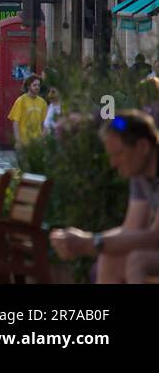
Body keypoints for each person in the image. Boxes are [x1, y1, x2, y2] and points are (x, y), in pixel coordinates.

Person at [51, 111, 159, 283]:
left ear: (143, 147)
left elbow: (154, 239)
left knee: (138, 260)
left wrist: (91, 243)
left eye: (119, 153)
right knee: (110, 258)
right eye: (111, 155)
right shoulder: (141, 173)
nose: (113, 163)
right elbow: (131, 229)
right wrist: (90, 241)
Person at [7, 74, 48, 148]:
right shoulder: (21, 100)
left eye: (38, 85)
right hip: (24, 142)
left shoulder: (43, 102)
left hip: (37, 142)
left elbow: (44, 123)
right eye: (34, 85)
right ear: (28, 86)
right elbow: (16, 123)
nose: (37, 87)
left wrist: (43, 139)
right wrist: (18, 141)